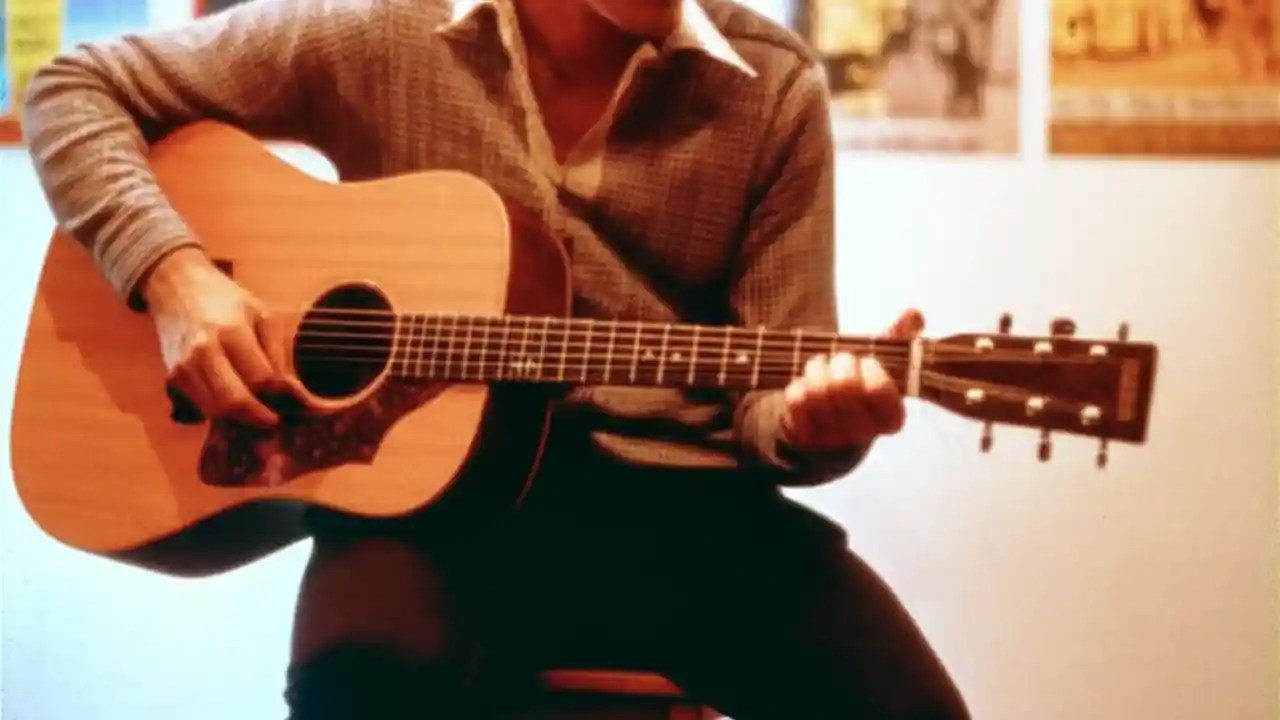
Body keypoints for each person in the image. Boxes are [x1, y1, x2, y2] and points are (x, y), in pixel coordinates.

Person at [21, 0, 970, 717]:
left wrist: (810, 425)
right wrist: (172, 274)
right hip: (428, 510)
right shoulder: (384, 31)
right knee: (359, 680)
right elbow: (72, 89)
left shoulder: (773, 87)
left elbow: (770, 407)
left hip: (679, 511)